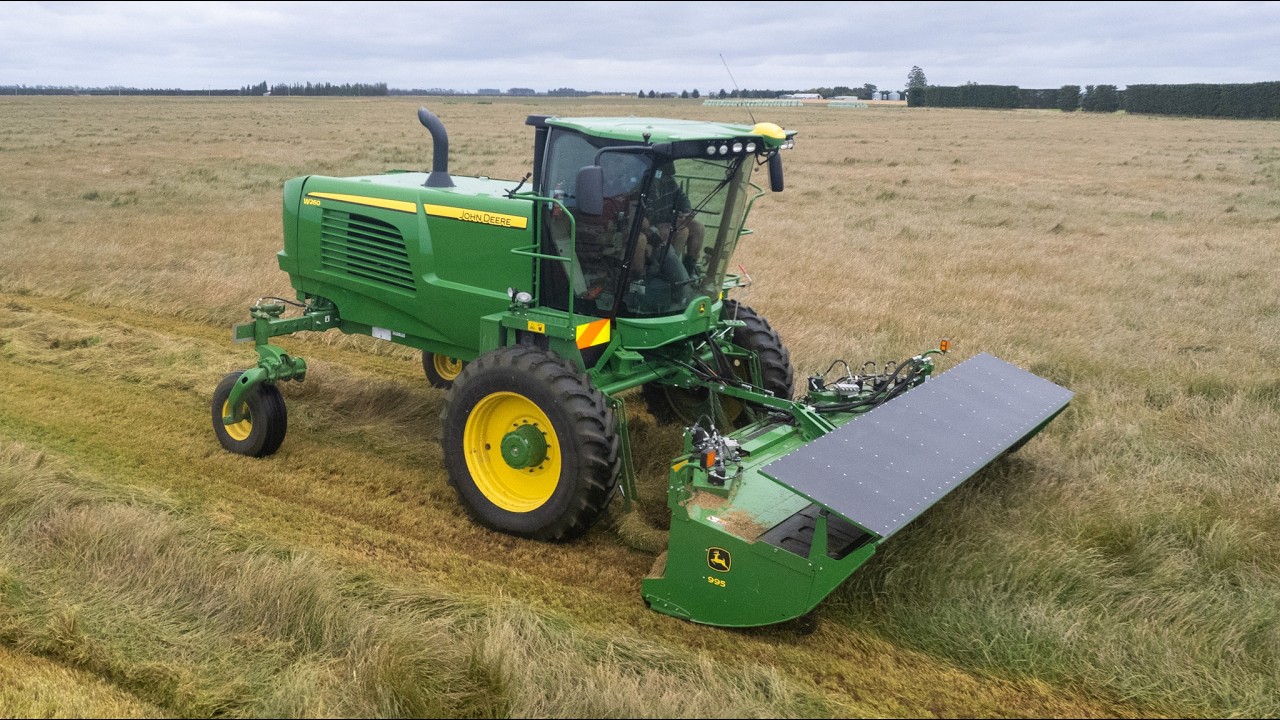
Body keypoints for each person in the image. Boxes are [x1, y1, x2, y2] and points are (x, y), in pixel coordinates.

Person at [644, 162, 705, 278]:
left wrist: (687, 212)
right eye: (665, 175)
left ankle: (689, 269)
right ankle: (672, 272)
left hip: (670, 221)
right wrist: (673, 218)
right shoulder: (646, 184)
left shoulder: (669, 181)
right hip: (654, 225)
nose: (668, 178)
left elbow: (682, 197)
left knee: (698, 228)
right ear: (658, 173)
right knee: (682, 231)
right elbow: (649, 215)